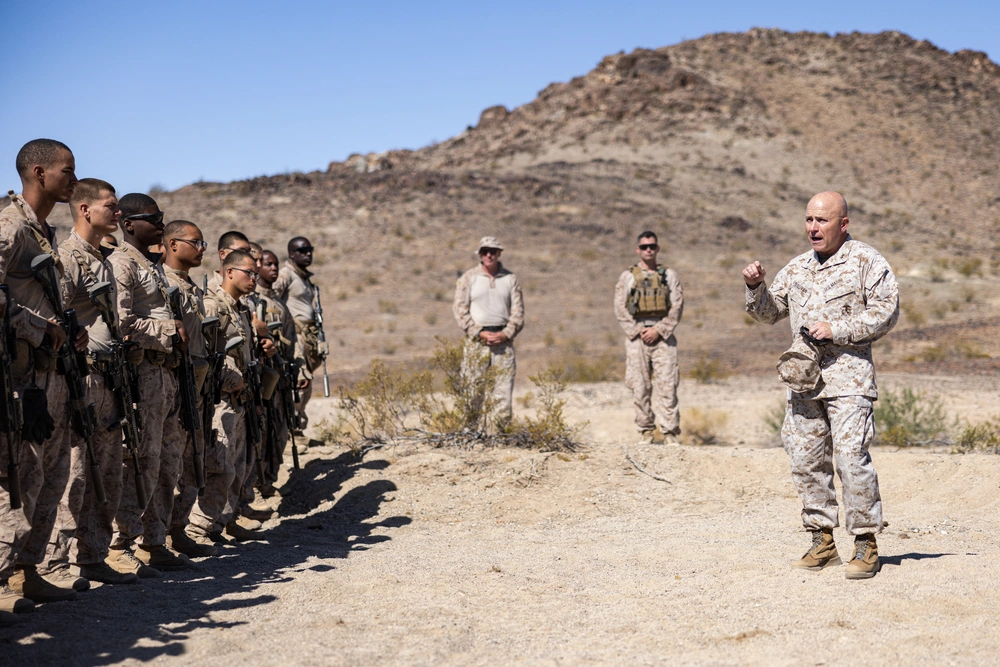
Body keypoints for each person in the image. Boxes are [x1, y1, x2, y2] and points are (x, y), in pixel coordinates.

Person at [742, 191, 899, 580]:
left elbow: (887, 311)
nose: (813, 227)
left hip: (849, 379)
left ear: (842, 224)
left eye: (822, 221)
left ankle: (865, 543)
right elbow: (769, 314)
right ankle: (822, 541)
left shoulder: (866, 261)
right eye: (809, 220)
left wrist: (839, 329)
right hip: (805, 383)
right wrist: (755, 287)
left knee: (850, 459)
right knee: (806, 460)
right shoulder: (796, 268)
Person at [0, 139, 85, 617]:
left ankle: (26, 571)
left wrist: (64, 332)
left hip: (48, 371)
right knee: (18, 477)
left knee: (50, 476)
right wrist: (40, 329)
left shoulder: (43, 233)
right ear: (38, 172)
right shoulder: (9, 226)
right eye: (67, 171)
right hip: (18, 375)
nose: (73, 180)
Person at [46, 178, 138, 587]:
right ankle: (55, 563)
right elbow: (57, 316)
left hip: (109, 378)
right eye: (111, 206)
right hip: (81, 376)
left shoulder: (104, 259)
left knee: (108, 472)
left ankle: (94, 555)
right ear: (85, 209)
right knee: (76, 474)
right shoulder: (67, 258)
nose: (118, 214)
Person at [107, 193, 189, 574]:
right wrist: (167, 329)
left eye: (161, 217)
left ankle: (153, 542)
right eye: (153, 217)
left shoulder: (149, 266)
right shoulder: (122, 264)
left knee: (164, 464)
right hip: (141, 378)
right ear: (128, 224)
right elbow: (120, 324)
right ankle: (117, 545)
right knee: (139, 463)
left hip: (163, 376)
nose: (160, 223)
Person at [191, 249, 273, 542]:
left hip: (241, 398)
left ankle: (224, 521)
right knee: (220, 466)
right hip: (222, 398)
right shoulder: (213, 307)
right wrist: (233, 378)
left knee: (239, 465)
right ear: (229, 272)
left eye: (255, 273)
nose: (254, 278)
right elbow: (209, 353)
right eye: (249, 273)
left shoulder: (240, 309)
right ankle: (199, 529)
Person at [161, 220, 218, 558]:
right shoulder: (164, 284)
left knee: (191, 460)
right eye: (196, 242)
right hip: (174, 382)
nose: (201, 249)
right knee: (168, 464)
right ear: (172, 244)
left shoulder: (191, 287)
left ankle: (176, 530)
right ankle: (152, 537)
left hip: (194, 383)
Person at [613, 231, 684, 444]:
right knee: (639, 386)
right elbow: (619, 306)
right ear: (638, 249)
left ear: (657, 248)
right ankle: (645, 431)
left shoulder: (669, 275)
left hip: (663, 336)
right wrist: (637, 330)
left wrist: (659, 330)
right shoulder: (627, 276)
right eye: (644, 246)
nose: (648, 249)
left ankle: (670, 433)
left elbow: (678, 304)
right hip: (637, 337)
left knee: (667, 385)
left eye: (652, 245)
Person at [452, 236, 524, 423]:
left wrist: (505, 333)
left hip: (503, 343)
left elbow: (518, 312)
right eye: (485, 251)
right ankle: (469, 434)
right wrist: (477, 332)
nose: (489, 255)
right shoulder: (469, 278)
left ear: (499, 253)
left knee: (503, 392)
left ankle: (503, 436)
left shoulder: (510, 279)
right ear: (480, 254)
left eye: (493, 251)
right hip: (477, 342)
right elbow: (459, 309)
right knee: (472, 391)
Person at [257, 249, 307, 478]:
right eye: (268, 264)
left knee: (280, 428)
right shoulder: (252, 302)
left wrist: (299, 367)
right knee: (262, 431)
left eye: (276, 264)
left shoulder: (279, 303)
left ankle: (270, 478)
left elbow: (292, 339)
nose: (274, 269)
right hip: (263, 376)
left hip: (281, 376)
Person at [272, 236, 326, 432]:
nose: (308, 254)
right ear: (292, 254)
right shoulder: (285, 275)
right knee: (300, 382)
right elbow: (271, 298)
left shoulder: (303, 277)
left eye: (310, 249)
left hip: (308, 336)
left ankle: (298, 426)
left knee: (306, 381)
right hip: (295, 336)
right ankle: (292, 430)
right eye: (303, 251)